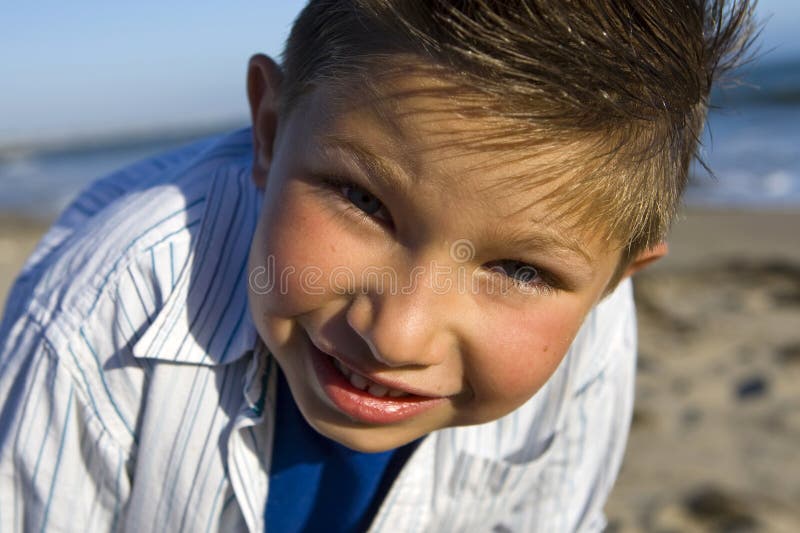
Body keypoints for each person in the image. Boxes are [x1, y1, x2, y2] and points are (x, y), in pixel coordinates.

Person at [0, 1, 755, 531]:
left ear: (613, 281)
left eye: (520, 270)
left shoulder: (593, 331)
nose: (398, 333)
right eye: (363, 200)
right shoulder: (106, 310)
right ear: (269, 129)